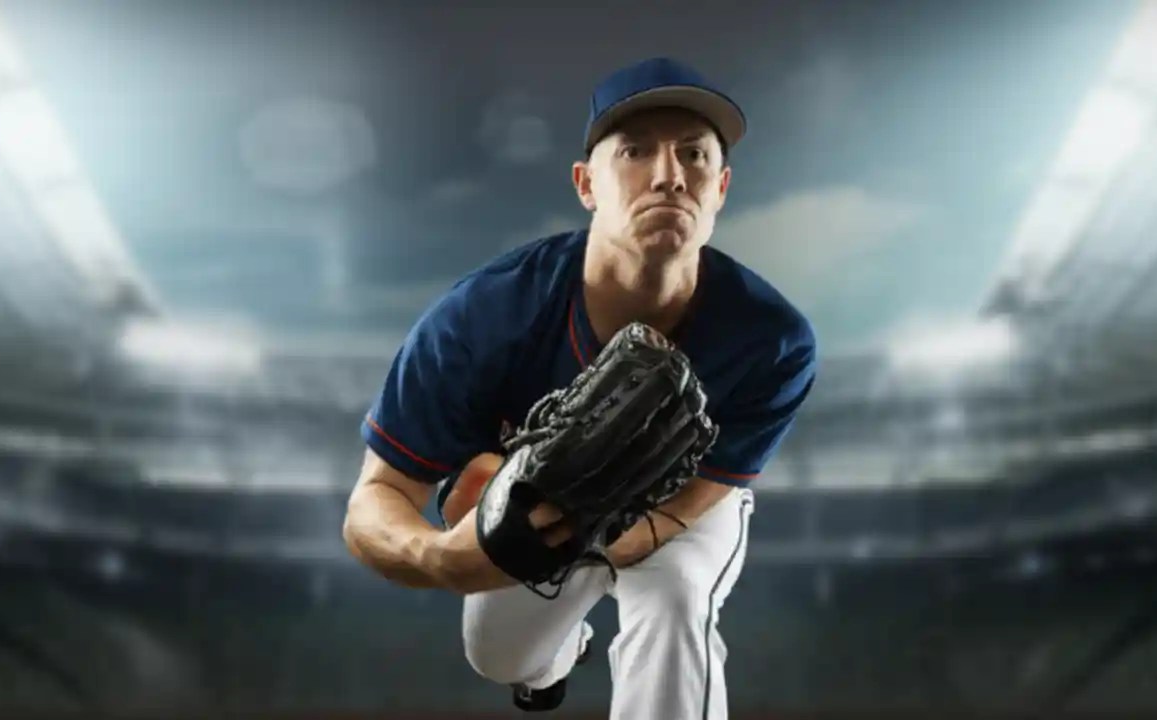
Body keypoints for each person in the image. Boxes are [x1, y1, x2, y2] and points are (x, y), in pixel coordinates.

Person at [342, 56, 817, 719]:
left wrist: (603, 532)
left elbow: (693, 502)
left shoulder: (772, 340)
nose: (669, 175)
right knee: (499, 657)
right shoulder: (485, 316)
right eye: (635, 151)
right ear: (585, 183)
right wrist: (442, 558)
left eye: (694, 155)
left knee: (675, 598)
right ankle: (559, 658)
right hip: (543, 507)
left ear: (721, 188)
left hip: (674, 510)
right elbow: (376, 499)